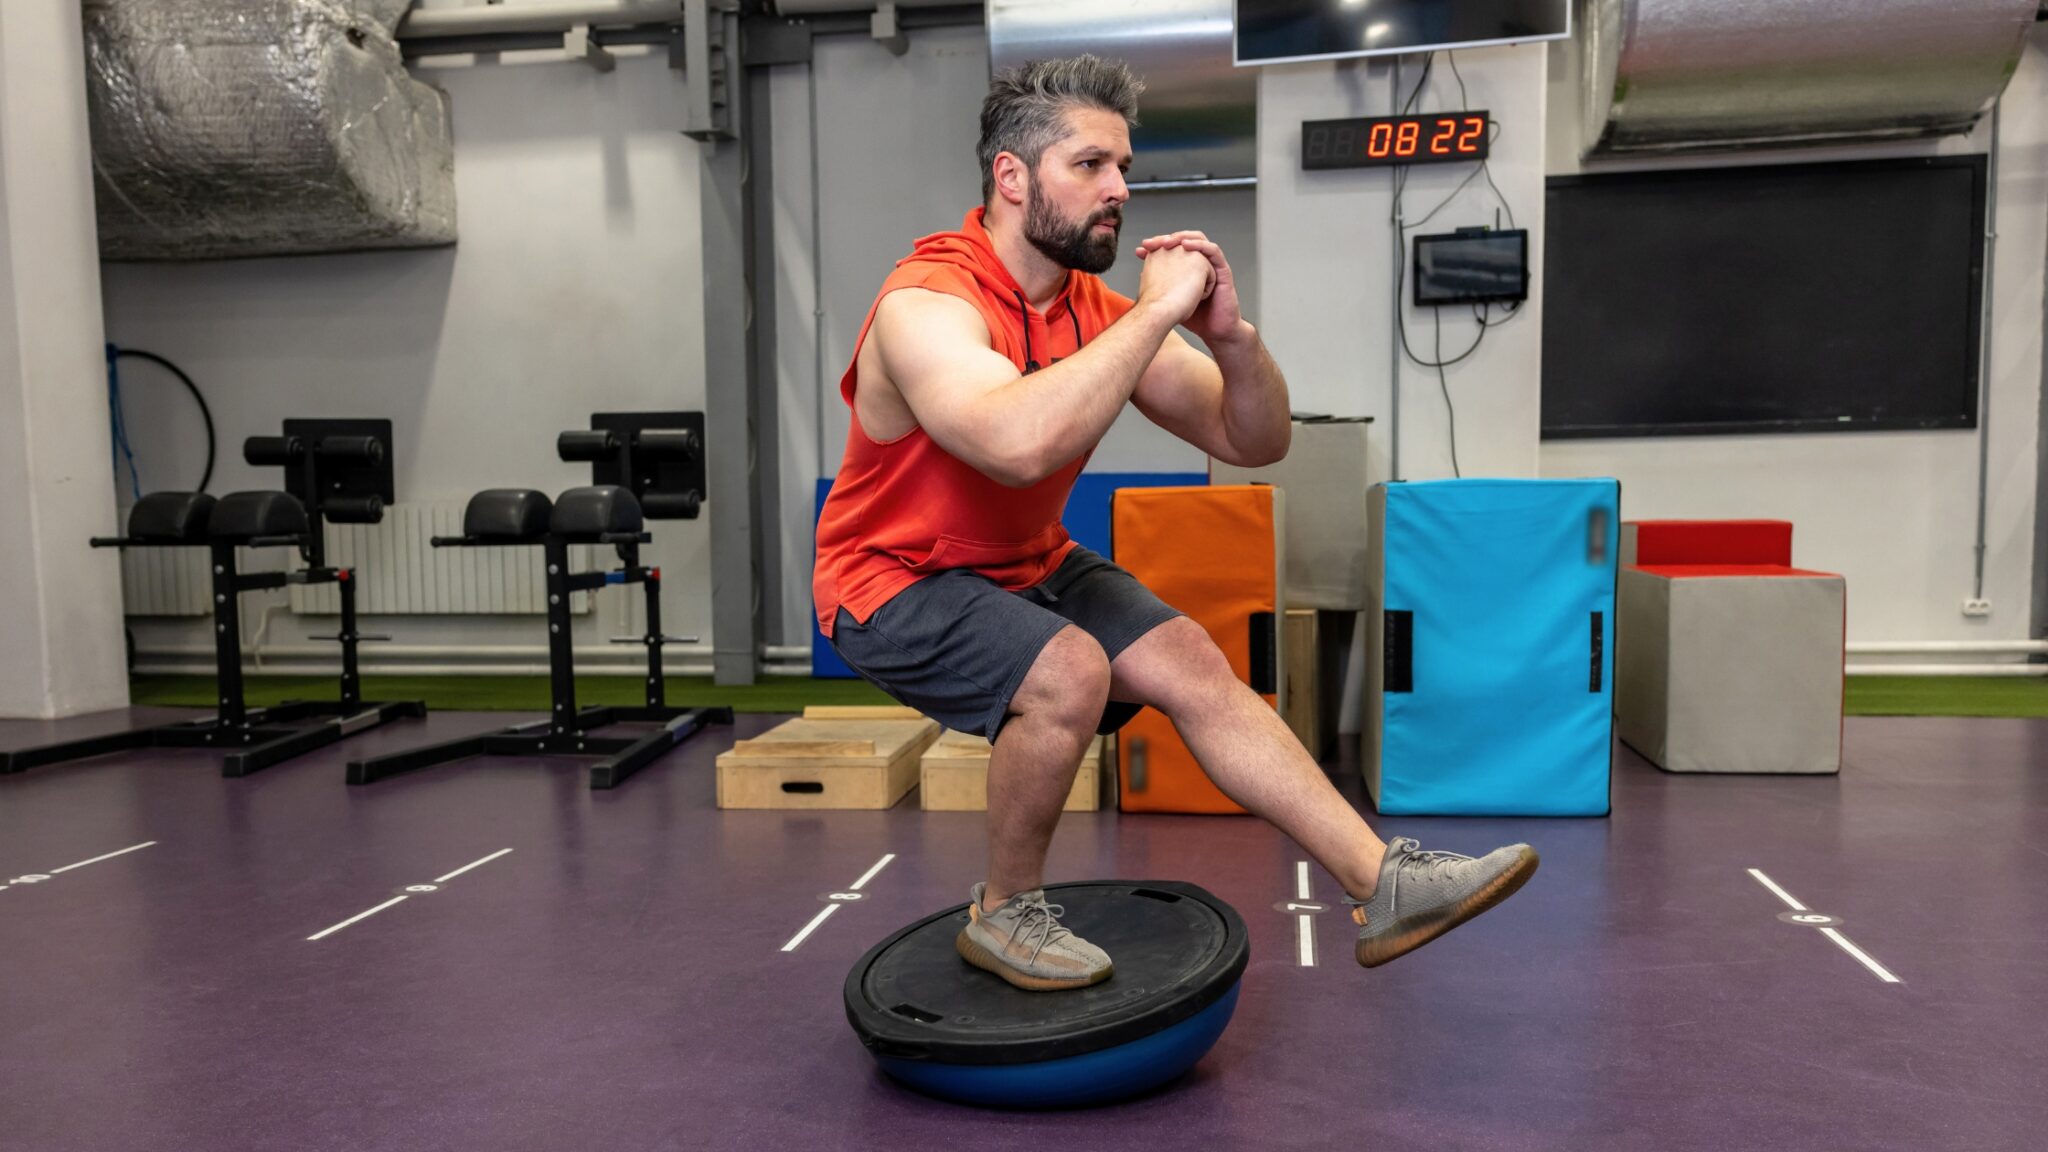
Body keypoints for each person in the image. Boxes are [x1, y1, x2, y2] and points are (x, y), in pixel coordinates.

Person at [813, 55, 1537, 991]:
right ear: (1011, 177)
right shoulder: (927, 304)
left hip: (1024, 561)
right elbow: (1014, 445)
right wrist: (1156, 312)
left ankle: (1384, 881)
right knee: (1068, 669)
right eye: (1090, 165)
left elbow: (1255, 439)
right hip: (890, 579)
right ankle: (1003, 913)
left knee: (1193, 657)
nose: (1119, 189)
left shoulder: (1096, 311)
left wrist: (1232, 339)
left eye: (1123, 167)